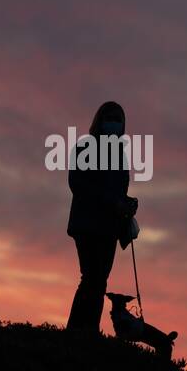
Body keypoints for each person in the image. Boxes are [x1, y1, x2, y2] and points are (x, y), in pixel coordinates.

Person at [65, 101, 138, 334]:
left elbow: (120, 189)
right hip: (87, 225)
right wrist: (113, 201)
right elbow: (78, 184)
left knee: (98, 280)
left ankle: (85, 330)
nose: (114, 122)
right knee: (92, 278)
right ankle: (81, 330)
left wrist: (127, 203)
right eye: (110, 117)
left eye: (118, 118)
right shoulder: (85, 148)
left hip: (108, 228)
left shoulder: (120, 156)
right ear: (100, 120)